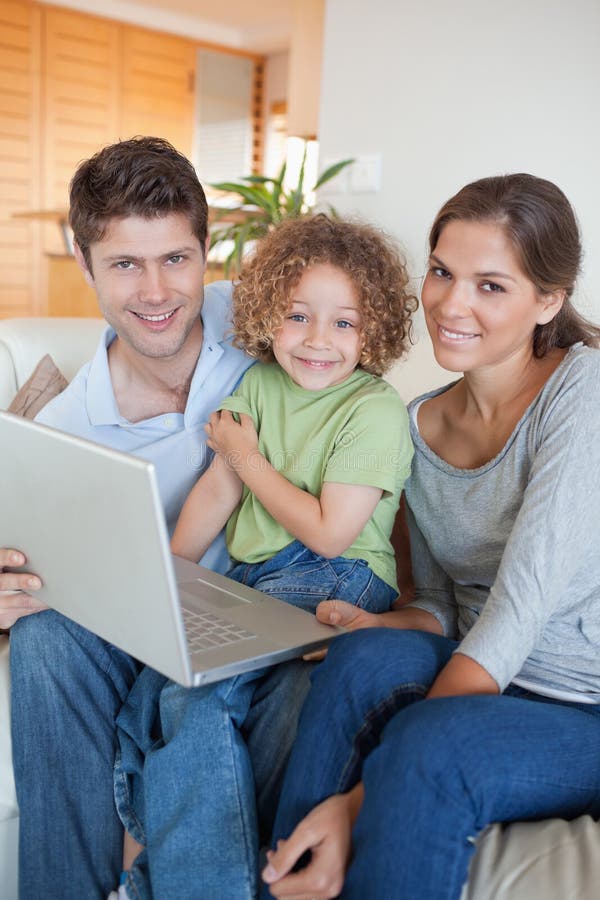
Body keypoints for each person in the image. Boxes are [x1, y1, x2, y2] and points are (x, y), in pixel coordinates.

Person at [261, 173, 600, 900]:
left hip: (582, 704)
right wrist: (382, 621)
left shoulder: (584, 392)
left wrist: (354, 806)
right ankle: (273, 884)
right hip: (485, 672)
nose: (452, 303)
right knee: (360, 657)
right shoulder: (416, 422)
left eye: (491, 285)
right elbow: (446, 603)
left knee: (428, 748)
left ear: (550, 298)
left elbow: (516, 610)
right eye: (443, 272)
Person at [3, 136, 310, 900]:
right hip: (139, 632)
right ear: (84, 263)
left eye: (175, 259)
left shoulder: (273, 326)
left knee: (308, 692)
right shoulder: (64, 429)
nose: (155, 292)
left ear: (207, 252)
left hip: (271, 612)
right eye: (124, 264)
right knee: (41, 638)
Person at [172, 213, 416, 615]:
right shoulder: (258, 382)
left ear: (371, 330)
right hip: (250, 574)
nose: (318, 340)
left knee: (208, 675)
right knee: (163, 673)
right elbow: (220, 488)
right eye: (298, 316)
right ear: (269, 314)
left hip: (338, 571)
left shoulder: (375, 408)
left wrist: (244, 457)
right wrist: (170, 574)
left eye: (343, 322)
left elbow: (330, 535)